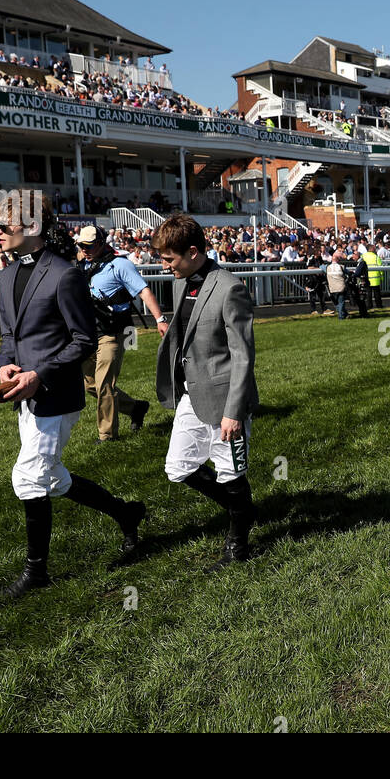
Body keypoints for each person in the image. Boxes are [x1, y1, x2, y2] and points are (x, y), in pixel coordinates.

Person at [0, 191, 146, 602]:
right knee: (52, 478)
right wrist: (7, 364)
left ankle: (36, 573)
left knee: (27, 478)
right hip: (23, 395)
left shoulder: (65, 274)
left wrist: (39, 373)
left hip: (57, 394)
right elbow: (11, 335)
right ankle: (126, 512)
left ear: (32, 228)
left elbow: (84, 340)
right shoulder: (7, 275)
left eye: (4, 224)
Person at [154, 215, 259, 569]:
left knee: (232, 472)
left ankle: (237, 545)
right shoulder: (181, 282)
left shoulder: (229, 287)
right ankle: (240, 509)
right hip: (190, 395)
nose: (164, 266)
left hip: (224, 400)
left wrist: (234, 410)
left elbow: (243, 355)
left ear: (193, 252)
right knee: (178, 468)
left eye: (169, 259)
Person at [75, 225, 167, 443]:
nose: (84, 250)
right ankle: (136, 407)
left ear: (101, 243)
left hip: (114, 332)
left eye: (88, 246)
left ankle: (107, 436)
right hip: (88, 333)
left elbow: (143, 290)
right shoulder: (81, 265)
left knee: (105, 383)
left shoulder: (120, 264)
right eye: (81, 245)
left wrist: (160, 319)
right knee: (91, 385)